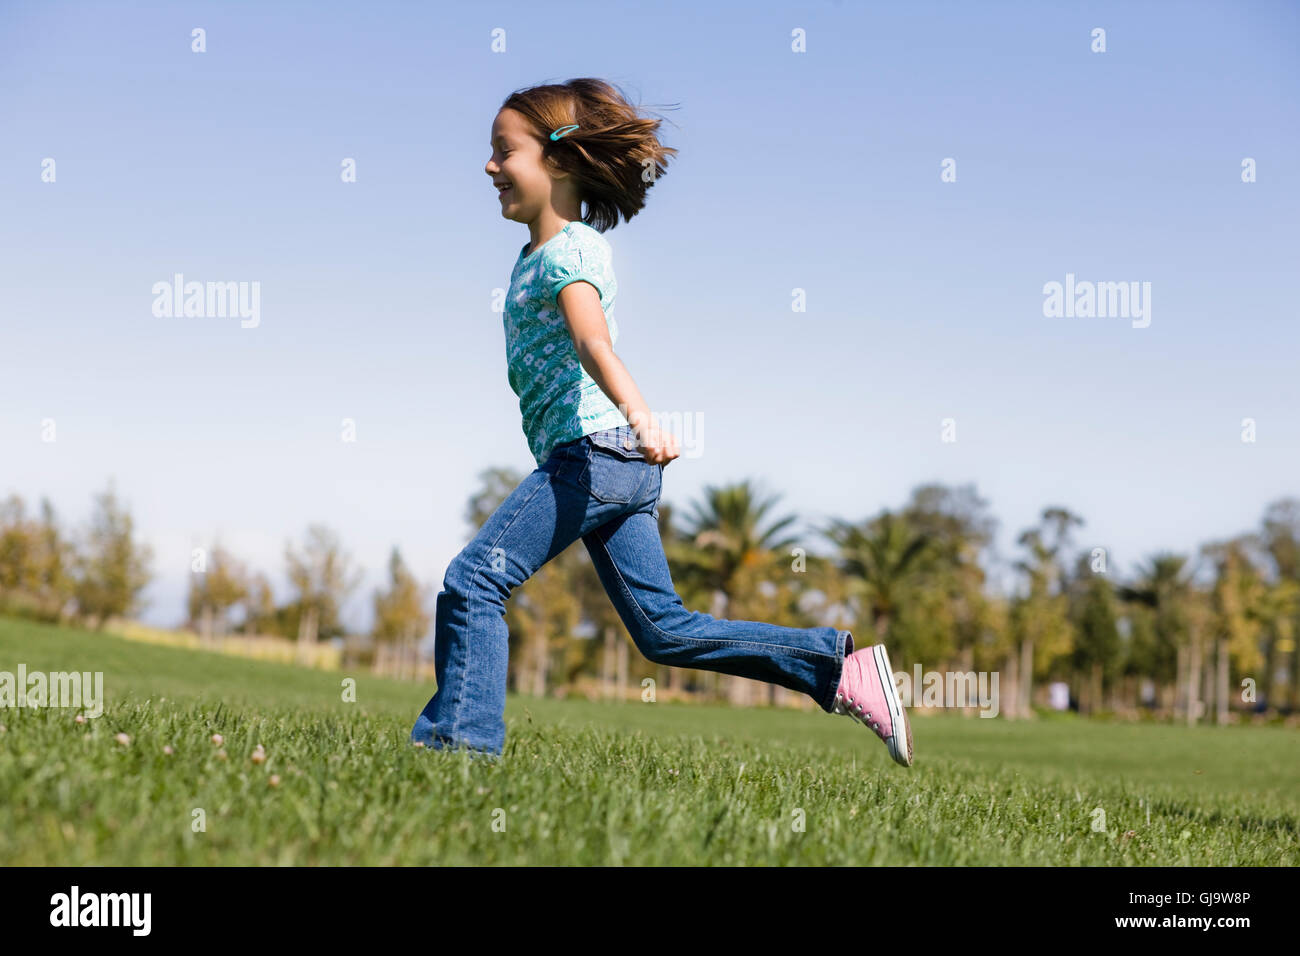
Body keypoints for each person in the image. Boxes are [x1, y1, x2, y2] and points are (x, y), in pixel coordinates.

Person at [410, 78, 912, 768]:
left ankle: (458, 751)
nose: (489, 167)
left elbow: (594, 345)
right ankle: (837, 668)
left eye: (503, 152)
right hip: (615, 465)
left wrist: (643, 419)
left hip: (595, 455)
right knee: (662, 630)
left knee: (475, 580)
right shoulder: (538, 253)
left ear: (557, 160)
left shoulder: (567, 254)